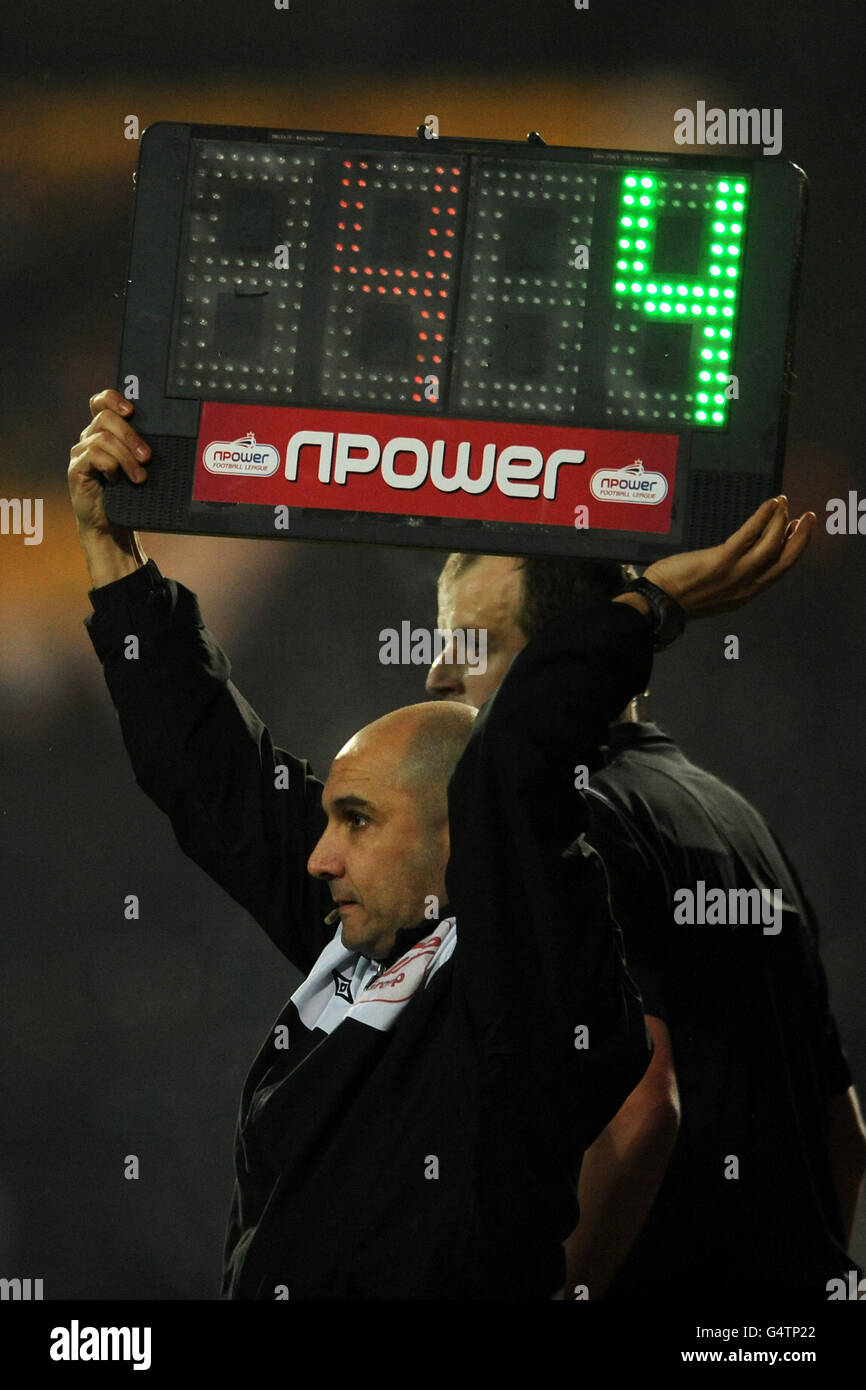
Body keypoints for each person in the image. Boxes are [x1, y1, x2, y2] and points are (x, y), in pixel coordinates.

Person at [68, 389, 812, 1299]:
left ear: (464, 828)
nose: (319, 852)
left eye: (357, 820)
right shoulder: (385, 921)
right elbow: (215, 779)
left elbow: (516, 776)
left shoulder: (540, 935)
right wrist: (116, 562)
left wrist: (644, 611)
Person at [426, 548, 866, 1300]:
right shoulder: (737, 820)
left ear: (570, 655)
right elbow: (845, 1132)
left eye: (474, 645)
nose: (437, 673)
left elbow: (640, 1109)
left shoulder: (581, 819)